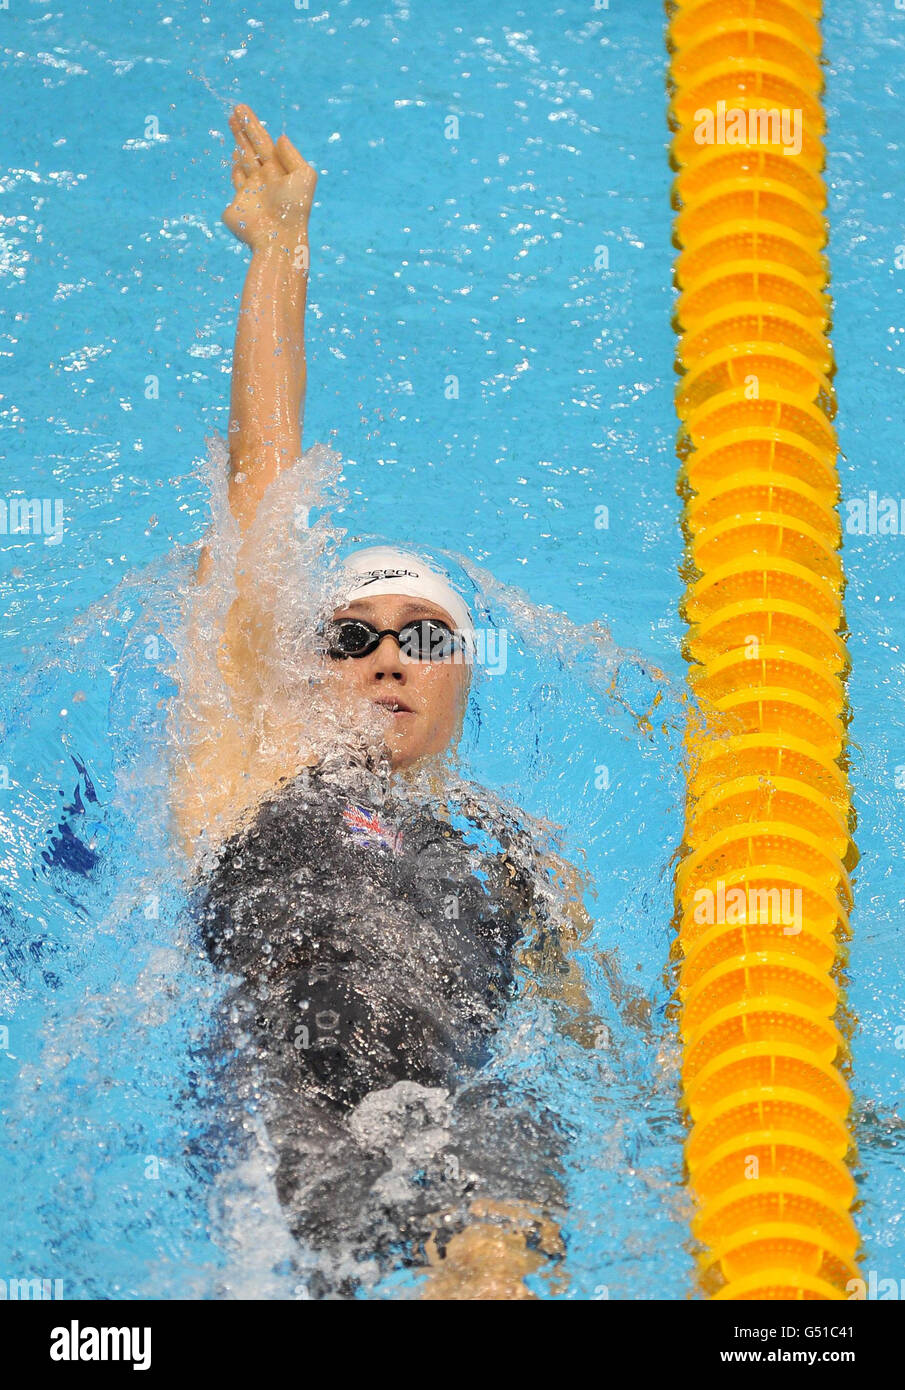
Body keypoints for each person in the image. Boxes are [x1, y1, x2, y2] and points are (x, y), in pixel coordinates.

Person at [177, 104, 600, 1300]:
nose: (385, 658)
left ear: (464, 671)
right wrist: (277, 249)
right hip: (278, 1113)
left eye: (423, 636)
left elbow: (599, 1054)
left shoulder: (516, 849)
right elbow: (261, 495)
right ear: (311, 662)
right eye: (351, 636)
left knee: (497, 1227)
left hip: (458, 1118)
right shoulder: (253, 766)